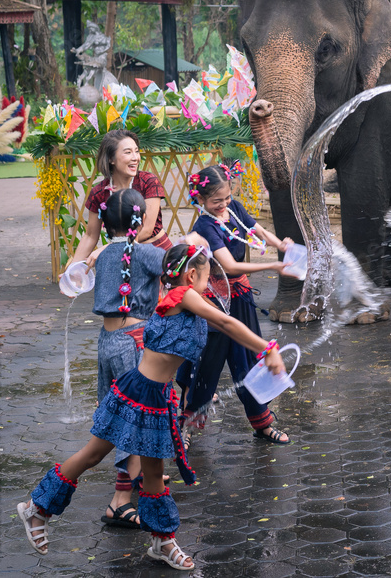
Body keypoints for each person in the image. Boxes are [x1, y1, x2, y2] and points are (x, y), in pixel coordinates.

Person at [18, 244, 287, 571]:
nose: (210, 284)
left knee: (155, 473)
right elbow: (227, 324)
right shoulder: (183, 296)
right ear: (190, 276)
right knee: (93, 455)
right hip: (139, 394)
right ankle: (37, 507)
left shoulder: (179, 296)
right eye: (206, 277)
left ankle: (162, 542)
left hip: (157, 397)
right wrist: (267, 348)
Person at [89, 189, 206, 529]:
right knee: (136, 424)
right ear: (144, 220)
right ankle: (120, 501)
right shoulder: (143, 254)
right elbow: (179, 265)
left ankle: (140, 481)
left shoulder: (107, 253)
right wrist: (192, 241)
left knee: (119, 418)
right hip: (131, 341)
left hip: (107, 341)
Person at [178, 163, 294, 446]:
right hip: (216, 304)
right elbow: (228, 265)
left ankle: (262, 423)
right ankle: (186, 425)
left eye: (227, 197)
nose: (224, 204)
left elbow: (258, 230)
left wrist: (281, 244)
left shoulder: (234, 209)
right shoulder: (205, 224)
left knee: (250, 364)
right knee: (208, 367)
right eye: (216, 201)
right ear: (201, 200)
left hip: (240, 299)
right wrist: (274, 266)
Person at [71, 130, 171, 268]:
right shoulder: (99, 193)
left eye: (136, 151)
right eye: (128, 152)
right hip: (122, 259)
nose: (135, 157)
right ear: (111, 159)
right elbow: (90, 236)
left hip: (156, 254)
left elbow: (146, 229)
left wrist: (108, 248)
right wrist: (72, 270)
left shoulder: (147, 181)